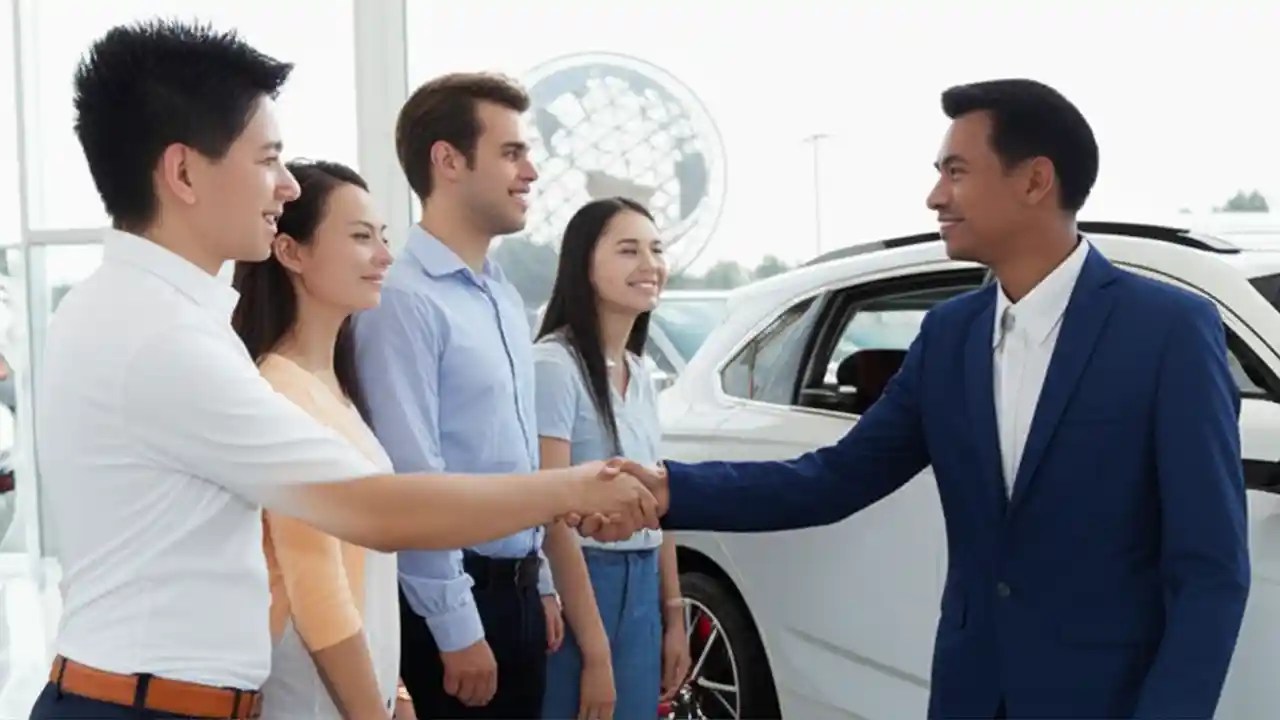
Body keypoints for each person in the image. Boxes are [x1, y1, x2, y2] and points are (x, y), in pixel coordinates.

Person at [30, 21, 654, 720]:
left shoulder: (126, 307)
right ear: (182, 174)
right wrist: (569, 486)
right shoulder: (166, 339)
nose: (286, 184)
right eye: (267, 159)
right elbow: (371, 508)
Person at [603, 79, 1251, 720]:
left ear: (1034, 181)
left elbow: (1212, 573)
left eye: (957, 172)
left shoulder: (1170, 330)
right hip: (970, 692)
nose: (935, 195)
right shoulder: (949, 336)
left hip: (1108, 698)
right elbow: (834, 479)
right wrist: (669, 492)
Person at [350, 71, 565, 720]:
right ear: (448, 160)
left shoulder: (500, 292)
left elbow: (517, 457)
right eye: (510, 152)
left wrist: (543, 578)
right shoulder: (401, 298)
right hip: (455, 600)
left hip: (520, 589)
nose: (530, 171)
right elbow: (412, 476)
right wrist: (455, 626)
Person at [230, 159, 406, 719]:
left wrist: (396, 692)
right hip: (311, 691)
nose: (383, 256)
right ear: (291, 251)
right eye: (360, 238)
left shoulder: (333, 383)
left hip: (358, 681)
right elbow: (318, 594)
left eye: (383, 237)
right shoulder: (277, 390)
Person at [534, 198, 692, 720]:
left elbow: (660, 497)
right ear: (584, 264)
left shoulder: (640, 372)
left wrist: (674, 615)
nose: (649, 264)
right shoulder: (553, 366)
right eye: (628, 250)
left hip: (643, 583)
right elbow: (549, 512)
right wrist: (597, 653)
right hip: (581, 584)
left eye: (656, 249)